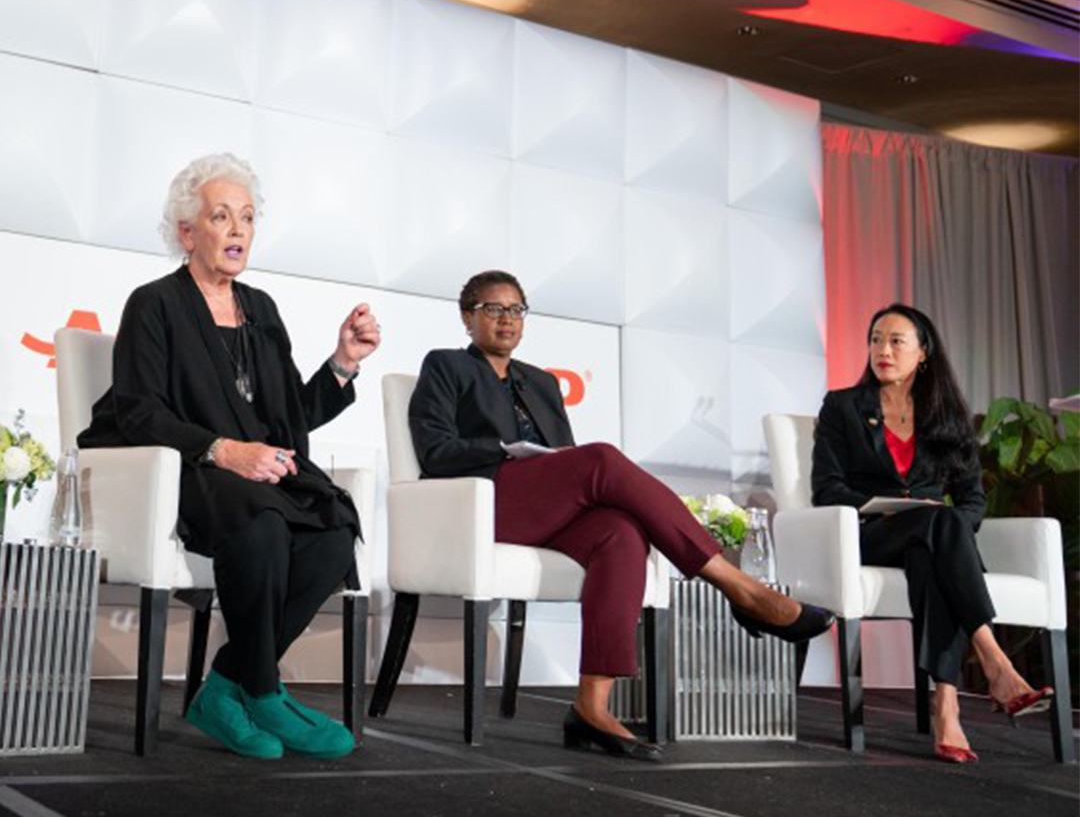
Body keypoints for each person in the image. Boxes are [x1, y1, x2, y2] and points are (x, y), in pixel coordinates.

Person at [409, 269, 835, 761]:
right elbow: (434, 450)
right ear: (468, 318)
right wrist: (506, 450)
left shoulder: (541, 383)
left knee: (622, 532)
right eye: (492, 309)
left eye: (516, 310)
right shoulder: (445, 366)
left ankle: (592, 706)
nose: (506, 320)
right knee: (602, 459)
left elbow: (563, 456)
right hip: (485, 501)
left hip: (545, 504)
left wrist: (550, 464)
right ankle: (738, 587)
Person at [78, 153, 381, 761]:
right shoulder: (154, 303)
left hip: (247, 475)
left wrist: (343, 362)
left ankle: (225, 686)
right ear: (188, 232)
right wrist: (223, 450)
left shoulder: (262, 310)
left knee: (332, 529)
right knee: (263, 520)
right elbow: (139, 410)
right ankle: (264, 693)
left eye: (247, 217)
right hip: (180, 468)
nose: (239, 229)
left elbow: (287, 416)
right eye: (222, 216)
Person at [811, 303, 1053, 764]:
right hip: (868, 535)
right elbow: (827, 489)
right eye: (876, 339)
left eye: (896, 341)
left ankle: (947, 705)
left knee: (933, 544)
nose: (882, 349)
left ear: (923, 353)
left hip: (928, 541)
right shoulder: (842, 406)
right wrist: (886, 509)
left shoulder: (947, 416)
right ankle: (994, 659)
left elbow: (971, 500)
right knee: (936, 523)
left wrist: (944, 525)